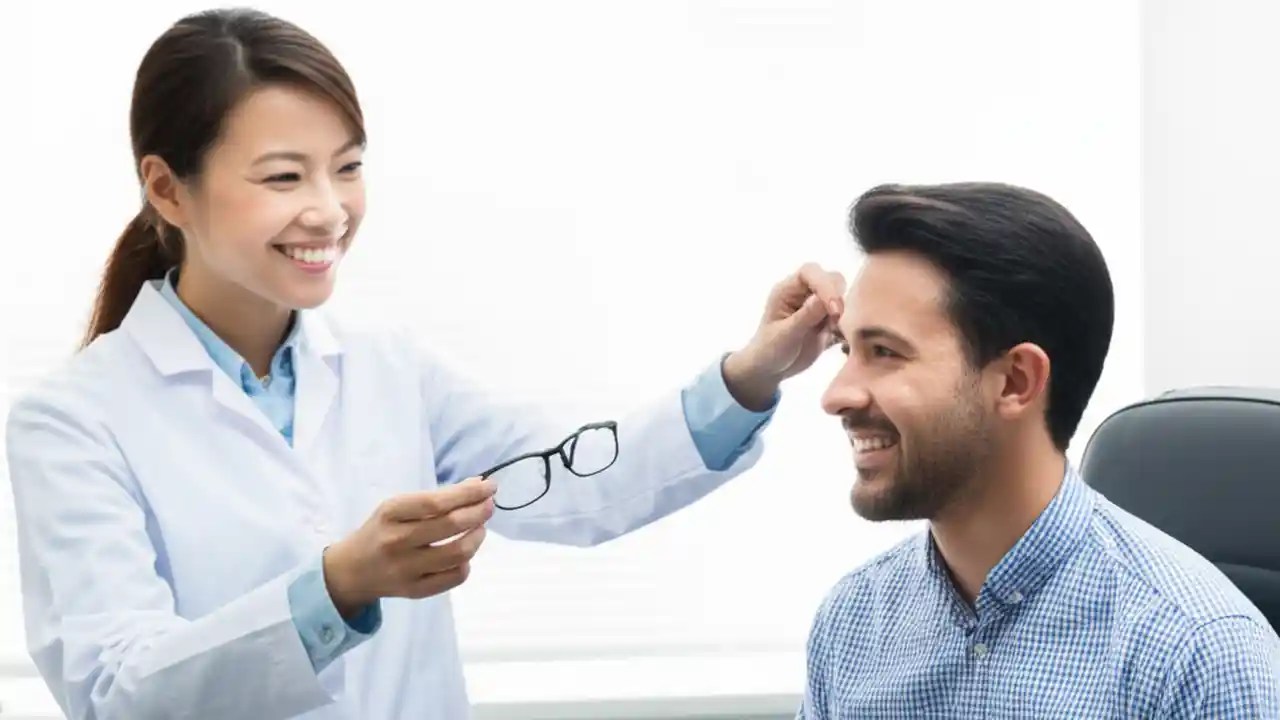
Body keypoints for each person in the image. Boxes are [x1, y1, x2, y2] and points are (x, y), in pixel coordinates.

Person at [2, 8, 847, 720]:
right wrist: (336, 587)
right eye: (284, 177)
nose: (329, 211)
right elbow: (119, 693)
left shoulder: (388, 370)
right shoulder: (73, 422)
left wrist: (751, 377)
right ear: (166, 189)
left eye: (347, 168)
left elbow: (572, 480)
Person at [798, 182, 1280, 718]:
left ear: (1016, 381)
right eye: (847, 350)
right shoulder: (851, 623)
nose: (836, 395)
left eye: (884, 352)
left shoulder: (1199, 655)